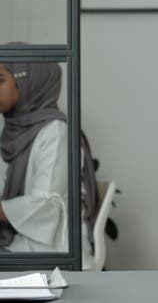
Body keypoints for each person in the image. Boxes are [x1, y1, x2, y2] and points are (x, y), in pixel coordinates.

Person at [0, 60, 98, 268]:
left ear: (28, 85)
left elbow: (48, 204)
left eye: (0, 80)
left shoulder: (56, 132)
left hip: (53, 251)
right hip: (20, 243)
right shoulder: (16, 132)